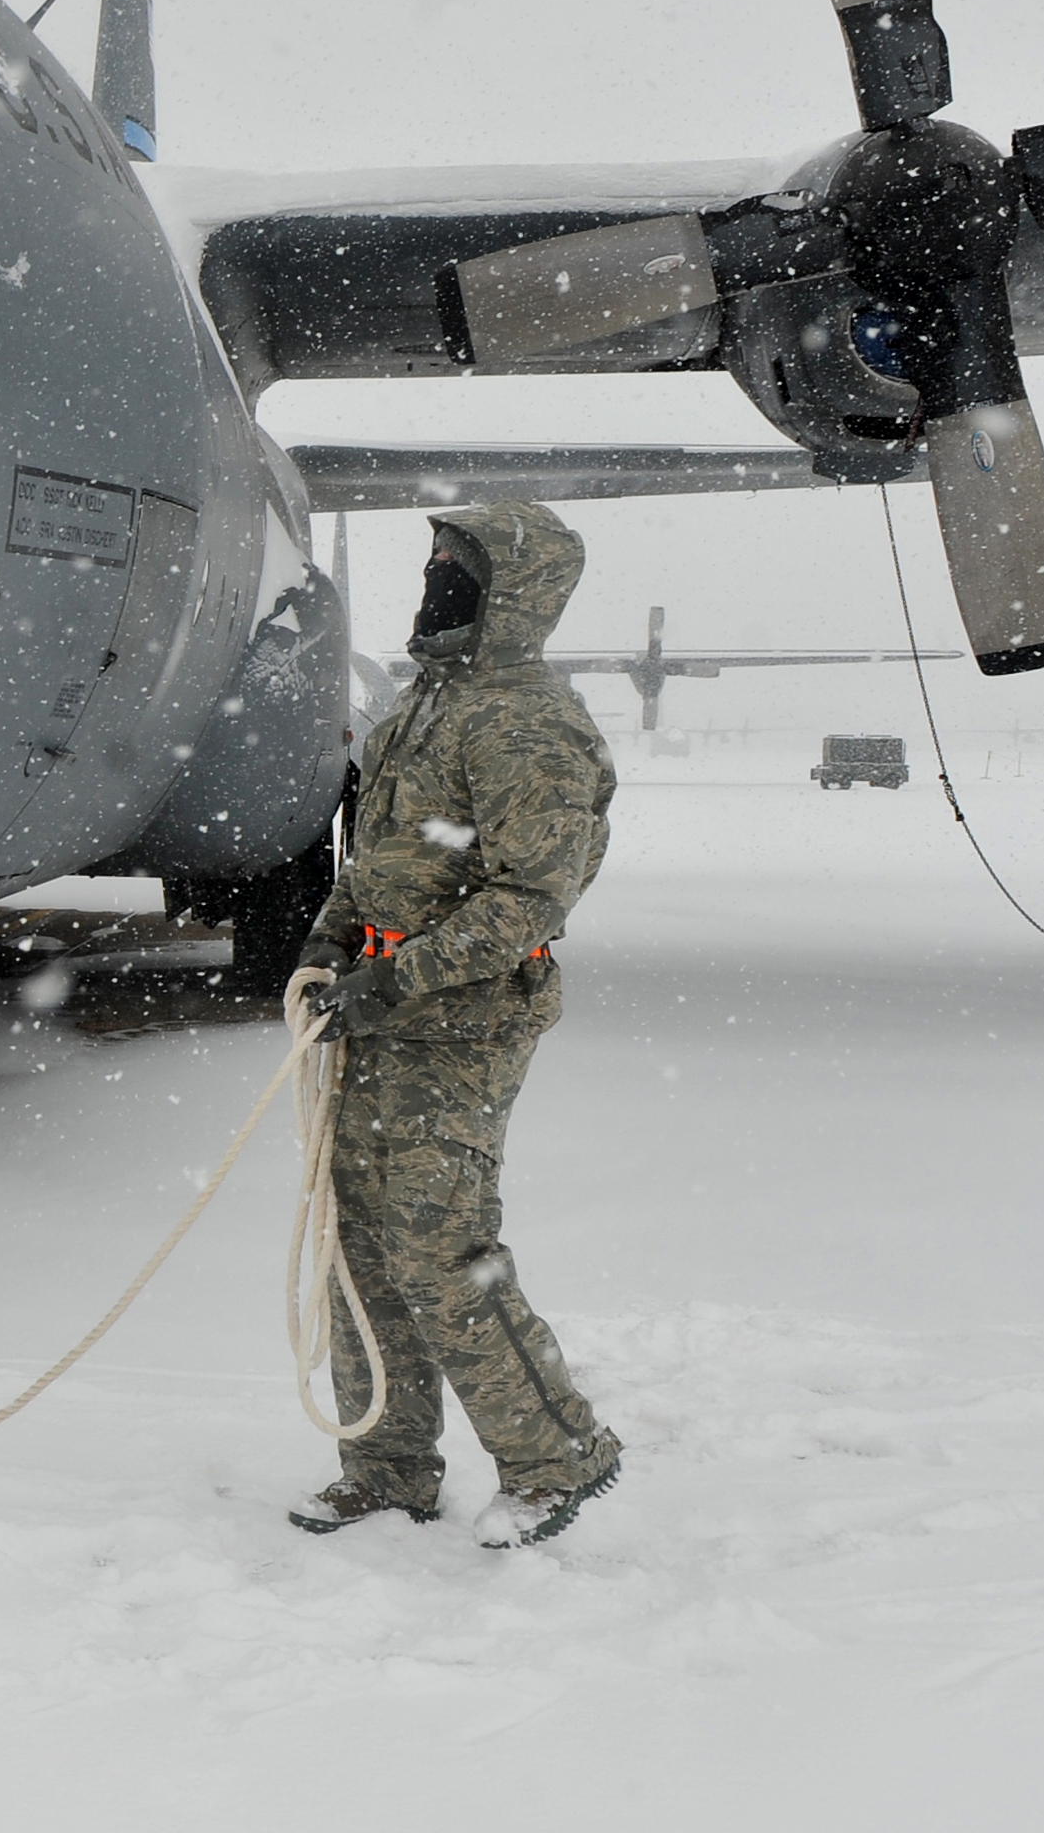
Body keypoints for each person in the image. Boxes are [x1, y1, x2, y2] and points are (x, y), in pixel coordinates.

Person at [290, 501, 623, 1549]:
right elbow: (377, 860)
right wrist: (322, 948)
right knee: (360, 1249)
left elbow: (530, 898)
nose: (434, 584)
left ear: (510, 594)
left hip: (464, 1024)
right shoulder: (416, 710)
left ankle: (556, 1455)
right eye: (432, 565)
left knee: (438, 1247)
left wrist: (400, 979)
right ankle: (387, 1467)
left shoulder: (527, 725)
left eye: (457, 570)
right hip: (378, 1020)